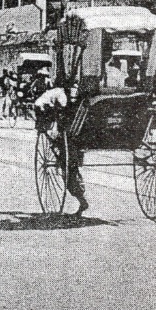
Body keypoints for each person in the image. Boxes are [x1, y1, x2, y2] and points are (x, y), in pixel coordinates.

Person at [33, 86, 88, 217]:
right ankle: (80, 196)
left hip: (70, 135)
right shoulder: (55, 94)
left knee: (68, 168)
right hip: (73, 132)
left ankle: (81, 199)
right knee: (70, 166)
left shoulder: (56, 94)